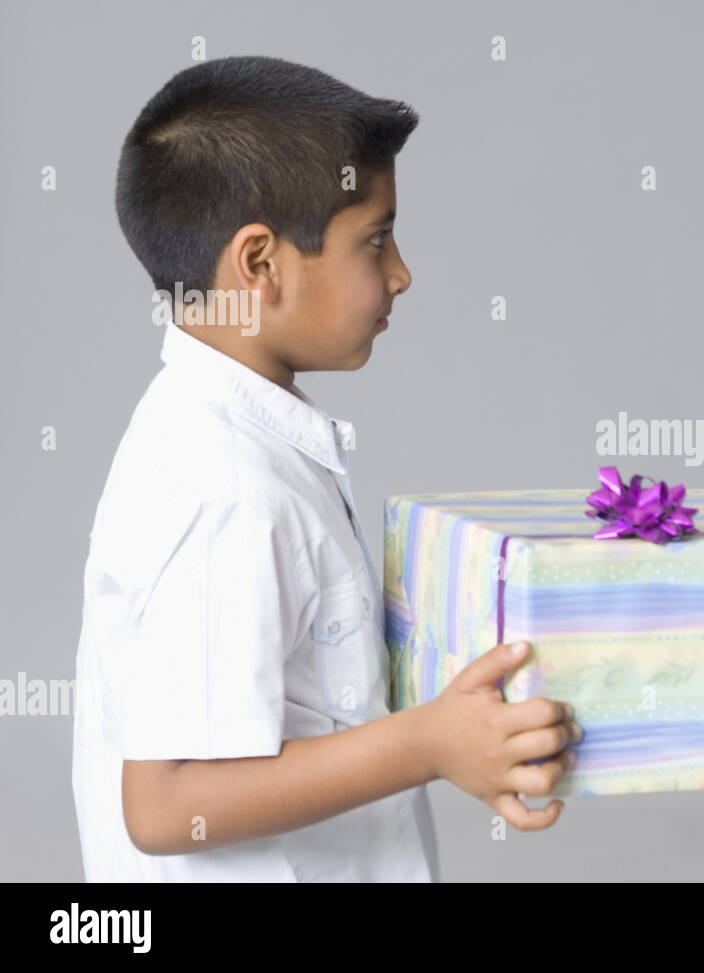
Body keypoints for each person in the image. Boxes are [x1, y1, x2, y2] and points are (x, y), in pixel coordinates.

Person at [72, 55, 581, 881]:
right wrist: (428, 743)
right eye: (374, 239)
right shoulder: (226, 489)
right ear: (261, 266)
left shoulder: (225, 437)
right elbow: (164, 805)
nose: (401, 272)